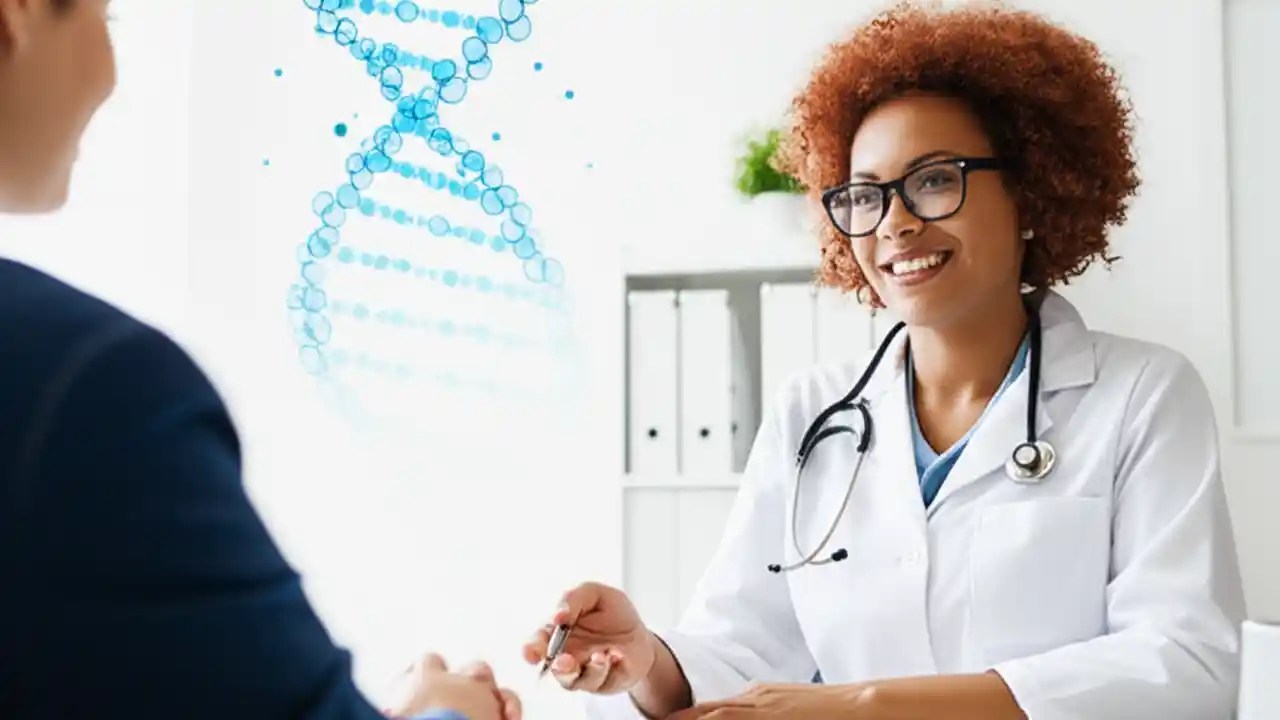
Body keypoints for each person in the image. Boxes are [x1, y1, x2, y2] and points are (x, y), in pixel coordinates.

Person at [525, 2, 1247, 718]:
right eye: (865, 195)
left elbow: (1182, 665)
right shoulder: (812, 413)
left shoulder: (1142, 395)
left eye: (935, 179)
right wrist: (644, 659)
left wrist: (867, 706)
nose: (895, 223)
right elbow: (739, 653)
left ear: (1028, 193)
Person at [0, 1, 520, 718]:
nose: (110, 75)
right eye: (106, 16)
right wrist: (452, 713)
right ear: (17, 14)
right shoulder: (92, 393)